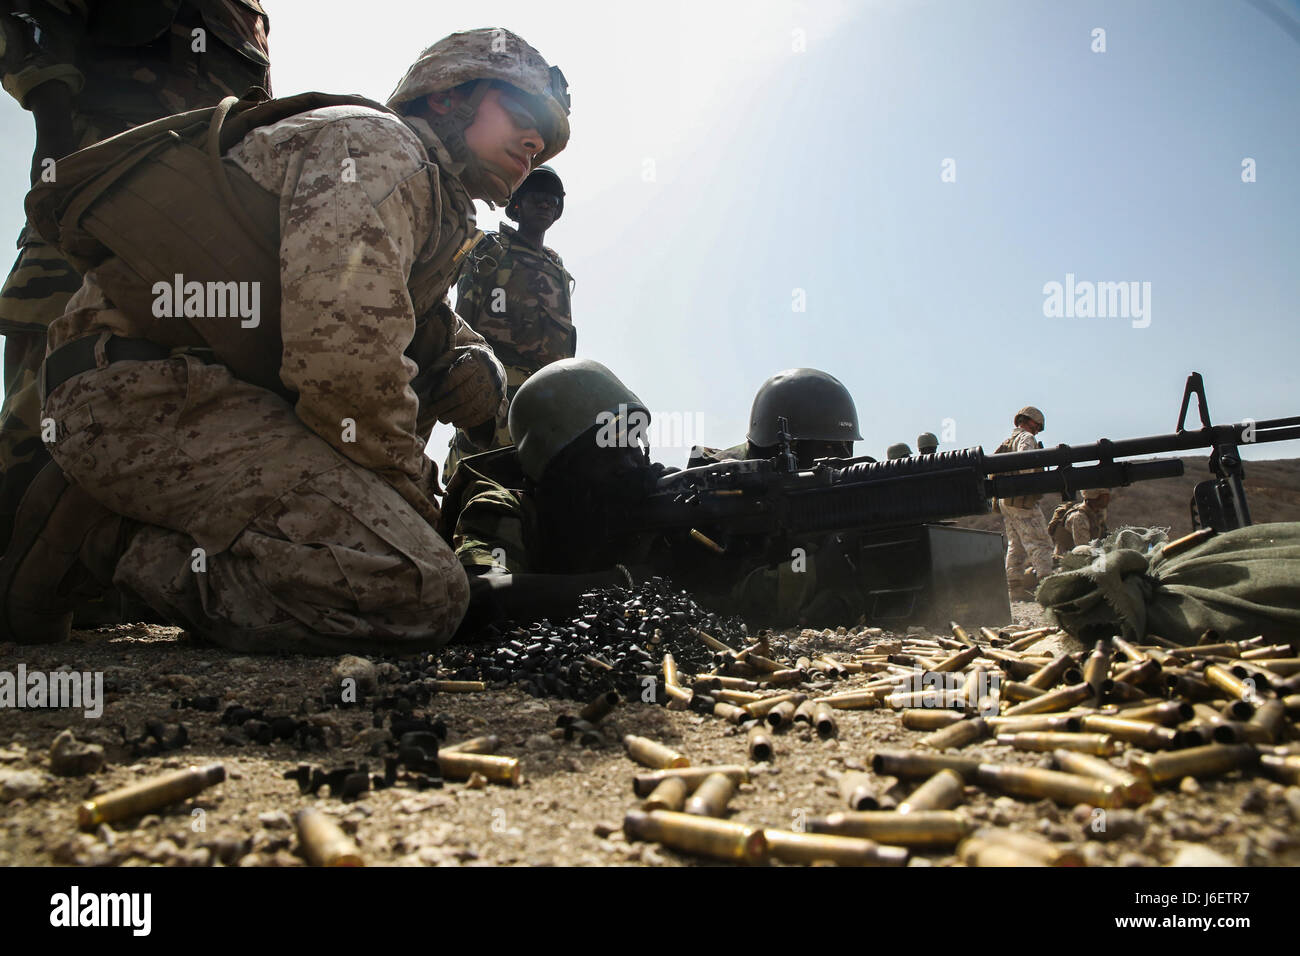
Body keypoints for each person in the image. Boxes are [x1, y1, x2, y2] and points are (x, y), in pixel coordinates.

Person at [0, 27, 571, 654]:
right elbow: (345, 369)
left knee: (469, 376)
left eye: (542, 144)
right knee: (419, 591)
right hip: (141, 395)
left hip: (198, 388)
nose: (533, 144)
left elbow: (415, 329)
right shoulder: (381, 152)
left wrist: (478, 377)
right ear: (444, 98)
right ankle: (104, 539)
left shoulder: (426, 191)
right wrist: (416, 507)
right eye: (520, 114)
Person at [0, 0, 273, 553]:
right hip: (92, 190)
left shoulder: (250, 10)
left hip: (190, 212)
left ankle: (85, 575)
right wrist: (58, 158)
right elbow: (34, 22)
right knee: (52, 375)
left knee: (151, 379)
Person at [448, 361, 868, 634]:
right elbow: (479, 597)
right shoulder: (501, 504)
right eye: (614, 448)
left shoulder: (652, 500)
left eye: (640, 445)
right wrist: (638, 582)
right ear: (555, 462)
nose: (636, 464)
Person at [444, 164, 575, 479]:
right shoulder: (489, 249)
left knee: (540, 484)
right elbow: (460, 318)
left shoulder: (557, 267)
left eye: (552, 199)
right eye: (536, 196)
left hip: (547, 393)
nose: (545, 203)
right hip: (496, 384)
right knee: (481, 476)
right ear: (517, 204)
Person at [687, 368, 862, 470]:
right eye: (828, 447)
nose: (844, 459)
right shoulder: (715, 485)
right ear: (787, 447)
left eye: (846, 446)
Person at [995, 404, 1054, 599]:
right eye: (1037, 426)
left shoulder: (1007, 440)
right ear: (1030, 422)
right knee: (1040, 542)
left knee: (1017, 544)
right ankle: (1049, 587)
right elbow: (1026, 462)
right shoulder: (1027, 439)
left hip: (1006, 500)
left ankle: (1014, 588)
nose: (1038, 431)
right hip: (1021, 499)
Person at [1050, 487, 1111, 557]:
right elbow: (1083, 549)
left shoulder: (1098, 513)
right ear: (1093, 498)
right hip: (1067, 560)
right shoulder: (1079, 518)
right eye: (1104, 497)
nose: (1107, 499)